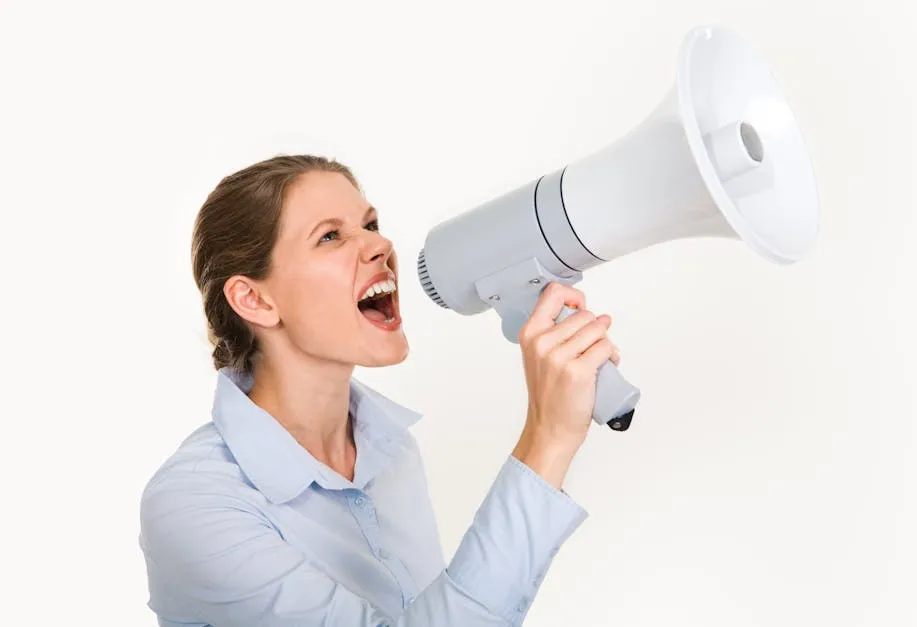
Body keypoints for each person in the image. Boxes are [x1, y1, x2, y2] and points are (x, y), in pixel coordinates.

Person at [138, 154, 621, 626]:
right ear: (255, 299)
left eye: (370, 225)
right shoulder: (196, 504)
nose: (380, 244)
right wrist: (547, 440)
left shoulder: (389, 448)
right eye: (330, 236)